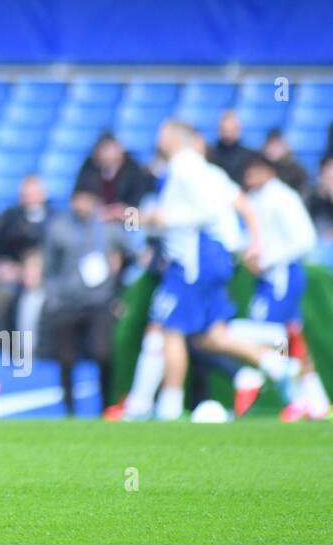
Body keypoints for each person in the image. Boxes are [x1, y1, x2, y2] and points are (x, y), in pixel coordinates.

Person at [123, 122, 297, 421]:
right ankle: (275, 363)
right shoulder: (209, 171)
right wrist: (254, 240)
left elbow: (197, 213)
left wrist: (151, 219)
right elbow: (240, 202)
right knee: (209, 336)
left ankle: (166, 407)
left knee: (169, 328)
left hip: (193, 260)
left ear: (174, 139)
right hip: (216, 258)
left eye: (162, 133)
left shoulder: (182, 166)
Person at [241, 154, 327, 420]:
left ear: (268, 171)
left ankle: (294, 399)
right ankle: (319, 404)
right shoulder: (257, 198)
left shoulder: (282, 197)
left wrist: (266, 259)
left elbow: (305, 239)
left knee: (263, 335)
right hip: (269, 278)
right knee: (293, 340)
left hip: (282, 276)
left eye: (255, 170)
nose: (250, 177)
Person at [41, 184, 125, 416]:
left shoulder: (108, 229)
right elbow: (49, 268)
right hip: (67, 303)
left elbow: (133, 254)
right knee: (66, 359)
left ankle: (107, 406)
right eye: (78, 199)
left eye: (87, 199)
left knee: (103, 353)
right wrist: (55, 298)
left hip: (100, 302)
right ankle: (69, 409)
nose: (82, 205)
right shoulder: (58, 227)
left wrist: (120, 287)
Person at [75, 132, 154, 222]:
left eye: (109, 149)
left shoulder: (133, 170)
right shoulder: (90, 167)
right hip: (95, 223)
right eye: (103, 149)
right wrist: (97, 209)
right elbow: (79, 199)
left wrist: (119, 213)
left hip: (126, 225)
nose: (106, 154)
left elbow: (139, 210)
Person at [208, 108, 254, 185]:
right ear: (219, 130)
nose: (228, 134)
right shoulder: (210, 154)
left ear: (239, 130)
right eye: (225, 130)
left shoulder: (249, 156)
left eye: (232, 130)